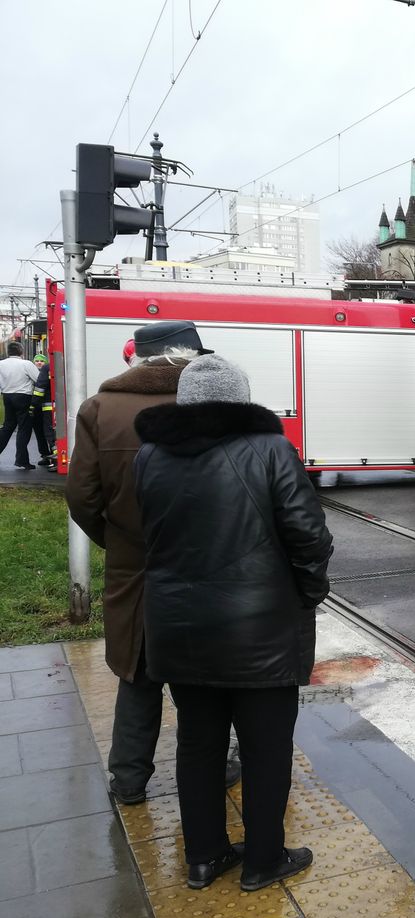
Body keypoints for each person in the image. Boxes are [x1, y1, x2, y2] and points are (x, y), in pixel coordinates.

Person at [134, 354, 333, 890]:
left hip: (177, 627)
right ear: (241, 400)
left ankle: (204, 857)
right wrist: (308, 594)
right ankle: (264, 859)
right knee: (266, 747)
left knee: (198, 744)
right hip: (260, 630)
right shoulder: (270, 449)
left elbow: (140, 534)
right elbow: (308, 534)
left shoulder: (149, 454)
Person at [65, 321, 239, 805]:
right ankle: (212, 769)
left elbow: (81, 497)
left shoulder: (100, 409)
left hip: (133, 564)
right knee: (201, 681)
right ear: (191, 356)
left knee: (136, 673)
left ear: (138, 358)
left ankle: (128, 778)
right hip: (206, 564)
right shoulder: (212, 405)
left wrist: (117, 541)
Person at [0, 341, 39, 469]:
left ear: (8, 352)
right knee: (24, 428)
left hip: (7, 396)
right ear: (21, 351)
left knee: (7, 427)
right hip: (23, 397)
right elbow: (38, 379)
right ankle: (22, 460)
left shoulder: (1, 364)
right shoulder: (26, 364)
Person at [30, 353, 55, 468]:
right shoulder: (30, 372)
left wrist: (33, 404)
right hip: (44, 407)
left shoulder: (45, 370)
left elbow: (39, 390)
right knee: (41, 433)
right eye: (37, 361)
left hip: (45, 407)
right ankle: (46, 455)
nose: (39, 362)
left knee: (49, 431)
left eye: (42, 361)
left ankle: (54, 457)